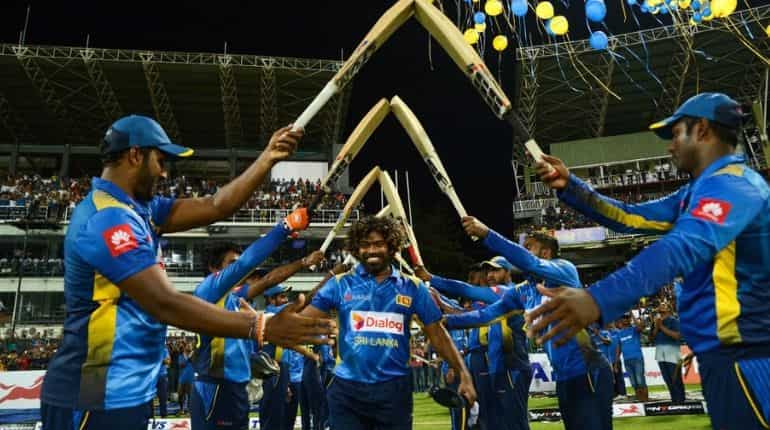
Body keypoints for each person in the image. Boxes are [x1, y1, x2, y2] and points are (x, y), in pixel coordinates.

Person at [40, 115, 336, 430]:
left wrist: (268, 158)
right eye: (160, 160)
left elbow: (217, 205)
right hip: (93, 394)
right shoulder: (107, 218)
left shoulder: (142, 209)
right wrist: (262, 326)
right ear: (135, 155)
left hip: (126, 392)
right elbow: (164, 302)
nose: (164, 172)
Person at [528, 92, 770, 429]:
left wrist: (598, 298)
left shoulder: (734, 186)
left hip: (747, 359)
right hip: (726, 358)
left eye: (676, 134)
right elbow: (630, 217)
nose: (670, 147)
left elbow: (681, 246)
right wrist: (571, 186)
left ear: (702, 130)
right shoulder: (697, 192)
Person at [300, 216, 476, 430]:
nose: (371, 250)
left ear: (391, 246)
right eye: (365, 245)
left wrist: (463, 374)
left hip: (394, 391)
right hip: (347, 390)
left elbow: (438, 334)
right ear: (356, 249)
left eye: (378, 244)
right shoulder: (339, 284)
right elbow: (302, 320)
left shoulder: (413, 287)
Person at [435, 222, 613, 430]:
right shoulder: (522, 291)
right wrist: (447, 321)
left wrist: (487, 234)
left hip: (589, 370)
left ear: (545, 253)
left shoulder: (564, 271)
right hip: (564, 377)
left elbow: (531, 263)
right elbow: (486, 315)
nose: (522, 252)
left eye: (529, 247)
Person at [189, 233, 324, 430]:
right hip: (215, 387)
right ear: (213, 268)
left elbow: (267, 281)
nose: (240, 270)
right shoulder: (208, 290)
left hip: (237, 389)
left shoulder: (235, 299)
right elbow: (251, 265)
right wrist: (284, 228)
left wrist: (303, 262)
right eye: (233, 264)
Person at [417, 256, 532, 430]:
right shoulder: (496, 301)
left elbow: (467, 290)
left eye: (496, 270)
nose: (490, 275)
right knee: (495, 423)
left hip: (511, 366)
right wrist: (443, 313)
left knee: (515, 422)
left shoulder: (507, 292)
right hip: (498, 366)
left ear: (507, 272)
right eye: (488, 271)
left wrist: (431, 278)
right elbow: (473, 315)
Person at [652, 302, 685, 403]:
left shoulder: (674, 321)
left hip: (673, 353)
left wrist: (661, 327)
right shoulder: (656, 322)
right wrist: (657, 326)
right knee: (667, 378)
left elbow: (678, 336)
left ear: (669, 309)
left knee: (675, 378)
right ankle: (674, 400)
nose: (660, 306)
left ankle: (680, 400)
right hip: (660, 353)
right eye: (660, 305)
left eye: (664, 305)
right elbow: (651, 338)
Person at [617, 315, 647, 401]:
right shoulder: (619, 333)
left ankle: (645, 400)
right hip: (626, 360)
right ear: (621, 320)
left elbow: (641, 327)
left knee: (640, 380)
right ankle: (639, 400)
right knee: (633, 382)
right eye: (624, 317)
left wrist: (632, 314)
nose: (625, 319)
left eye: (627, 317)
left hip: (637, 358)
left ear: (630, 319)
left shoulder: (634, 329)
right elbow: (619, 347)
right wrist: (616, 361)